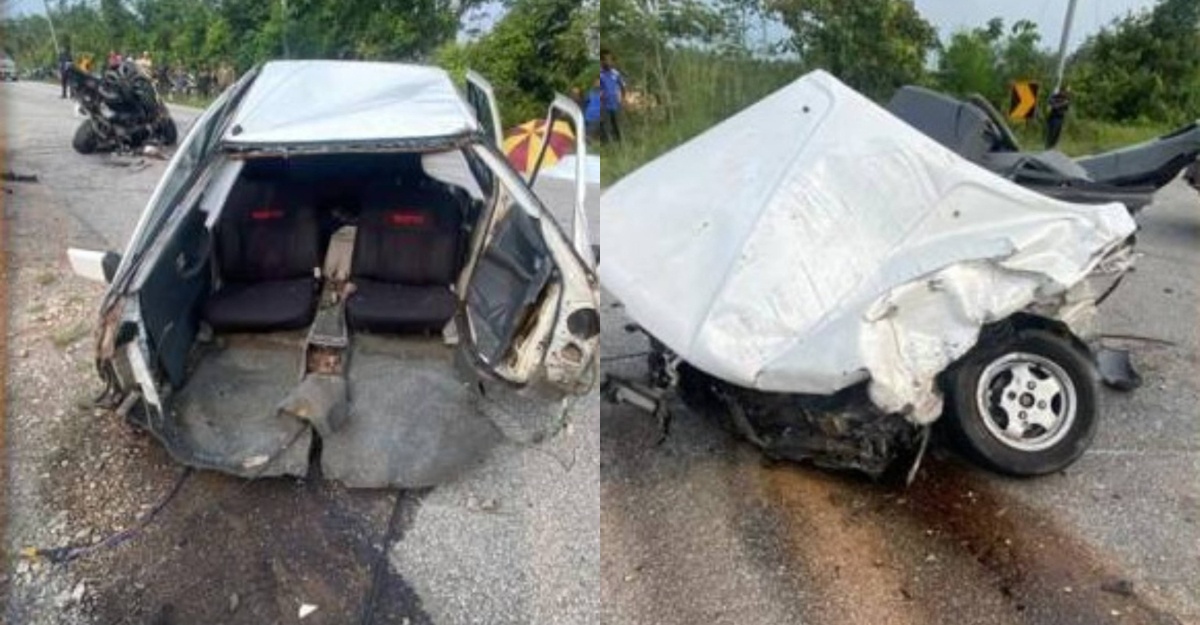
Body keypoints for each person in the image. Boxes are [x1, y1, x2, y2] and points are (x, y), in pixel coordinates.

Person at [599, 49, 626, 142]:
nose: (609, 62)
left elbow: (623, 86)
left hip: (616, 104)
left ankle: (622, 146)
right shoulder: (599, 73)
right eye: (606, 59)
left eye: (610, 59)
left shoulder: (616, 73)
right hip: (604, 106)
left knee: (618, 127)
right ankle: (611, 148)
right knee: (607, 128)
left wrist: (622, 99)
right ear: (602, 61)